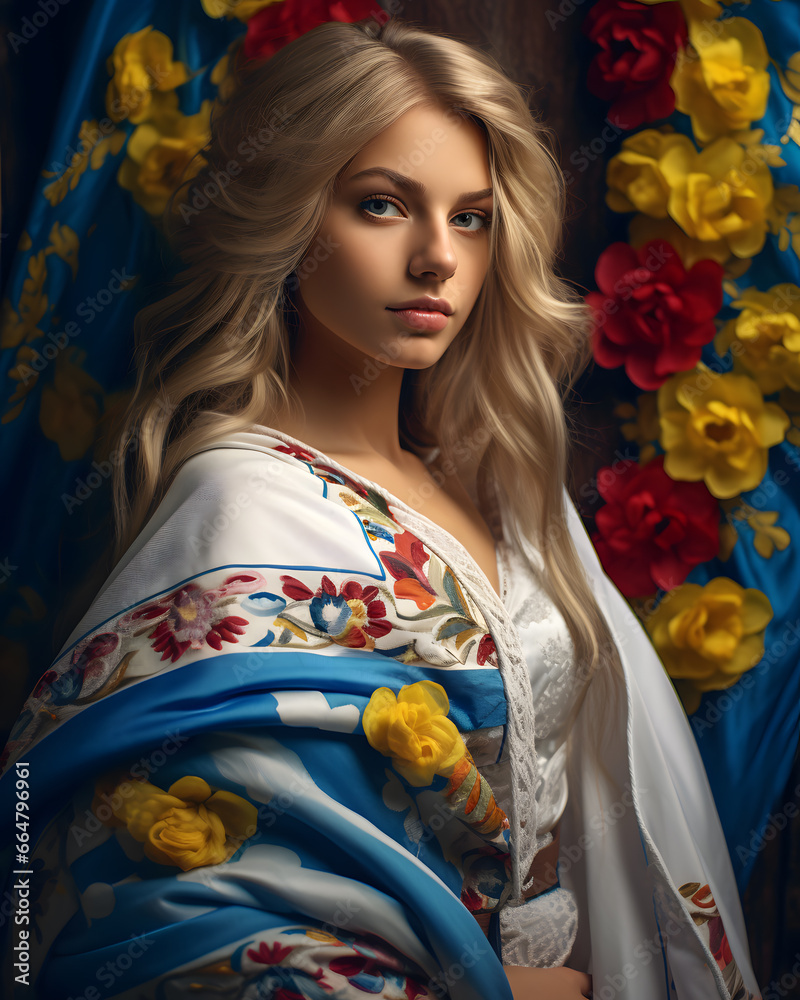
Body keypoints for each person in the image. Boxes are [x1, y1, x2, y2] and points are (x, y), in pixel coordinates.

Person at [0, 16, 761, 1000]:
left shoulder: (496, 490)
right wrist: (488, 987)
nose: (437, 256)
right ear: (291, 220)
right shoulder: (240, 503)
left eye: (472, 216)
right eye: (381, 205)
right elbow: (169, 916)